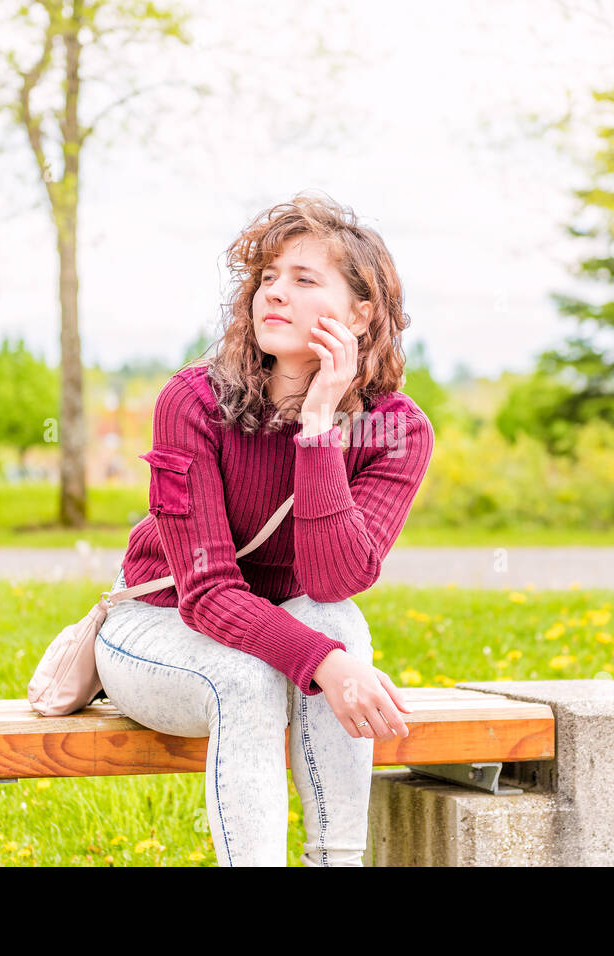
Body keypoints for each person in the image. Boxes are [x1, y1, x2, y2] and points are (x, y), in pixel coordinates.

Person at [95, 191, 435, 866]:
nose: (273, 295)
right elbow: (209, 595)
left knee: (340, 623)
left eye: (304, 280)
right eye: (267, 279)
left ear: (361, 313)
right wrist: (324, 663)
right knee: (254, 676)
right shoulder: (192, 402)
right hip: (161, 627)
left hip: (280, 631)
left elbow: (333, 580)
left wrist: (317, 429)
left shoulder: (398, 429)